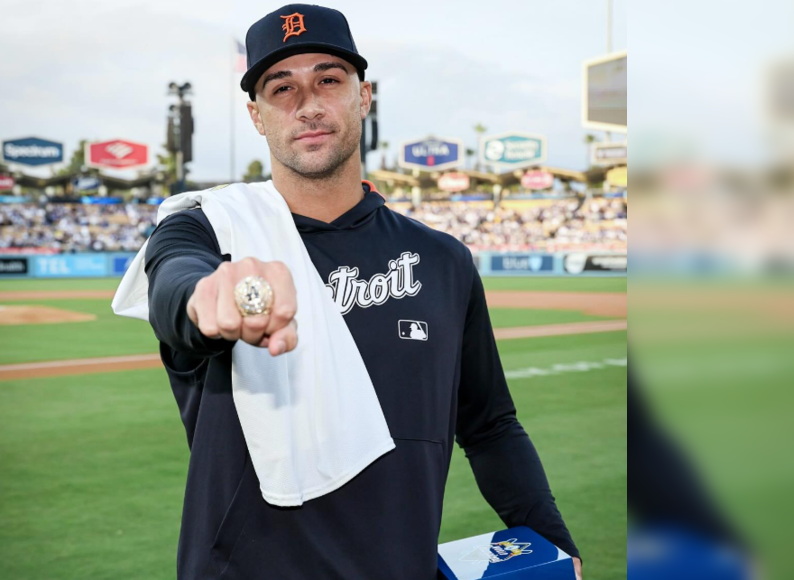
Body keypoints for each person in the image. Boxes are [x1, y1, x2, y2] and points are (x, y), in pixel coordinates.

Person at [140, 4, 582, 579]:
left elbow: (491, 424)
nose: (308, 103)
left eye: (328, 79)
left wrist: (553, 545)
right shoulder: (211, 231)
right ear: (256, 115)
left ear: (363, 96)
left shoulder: (443, 259)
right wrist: (210, 298)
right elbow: (176, 282)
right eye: (282, 88)